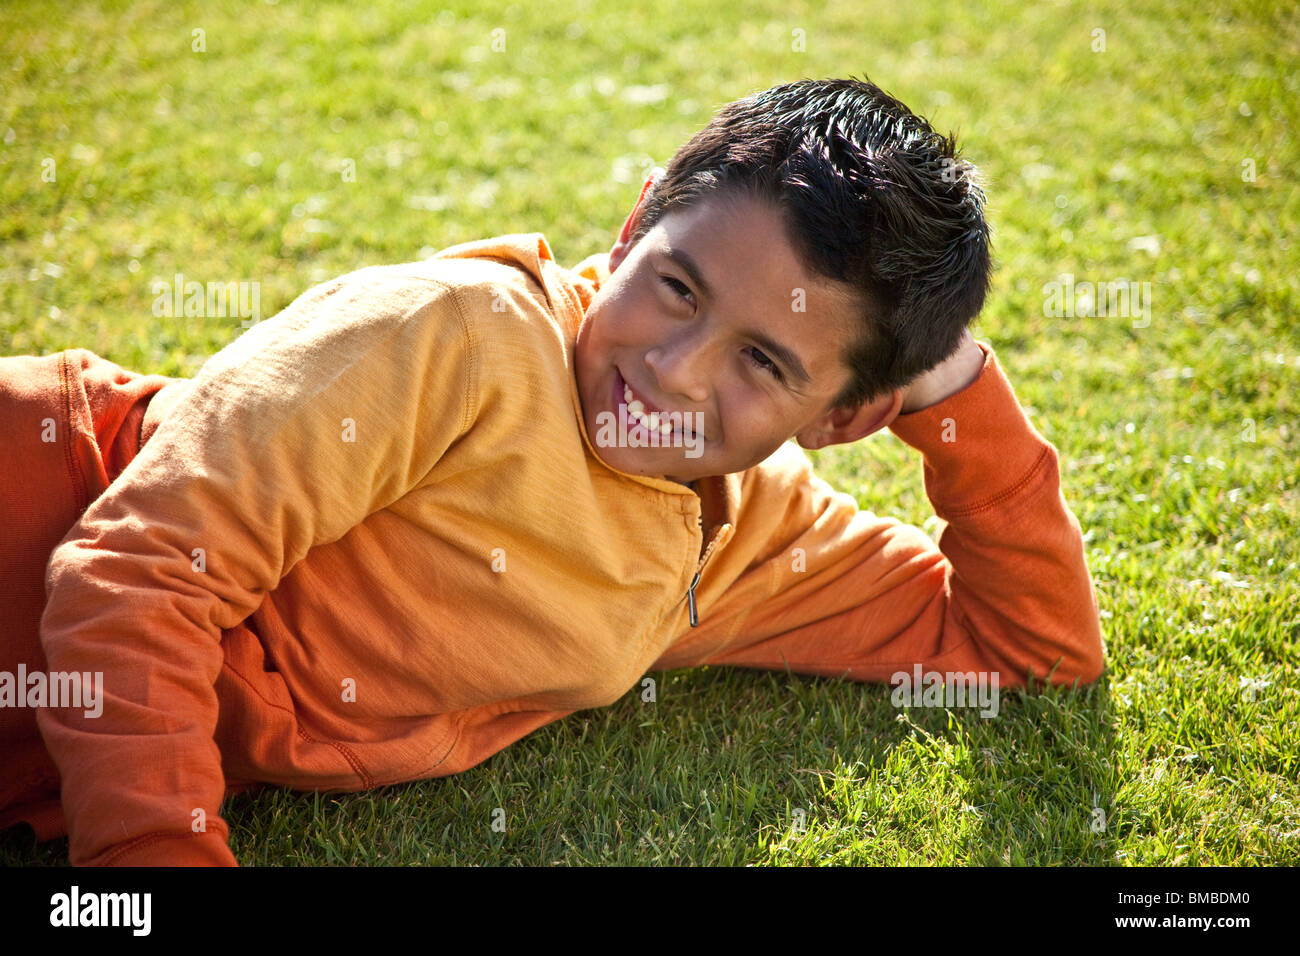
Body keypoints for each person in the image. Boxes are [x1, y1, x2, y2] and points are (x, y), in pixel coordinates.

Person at [0, 76, 1104, 866]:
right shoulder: (458, 336)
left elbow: (1027, 645)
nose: (671, 373)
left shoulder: (752, 539)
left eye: (762, 361)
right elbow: (135, 576)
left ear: (847, 416)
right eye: (677, 285)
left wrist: (955, 392)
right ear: (630, 228)